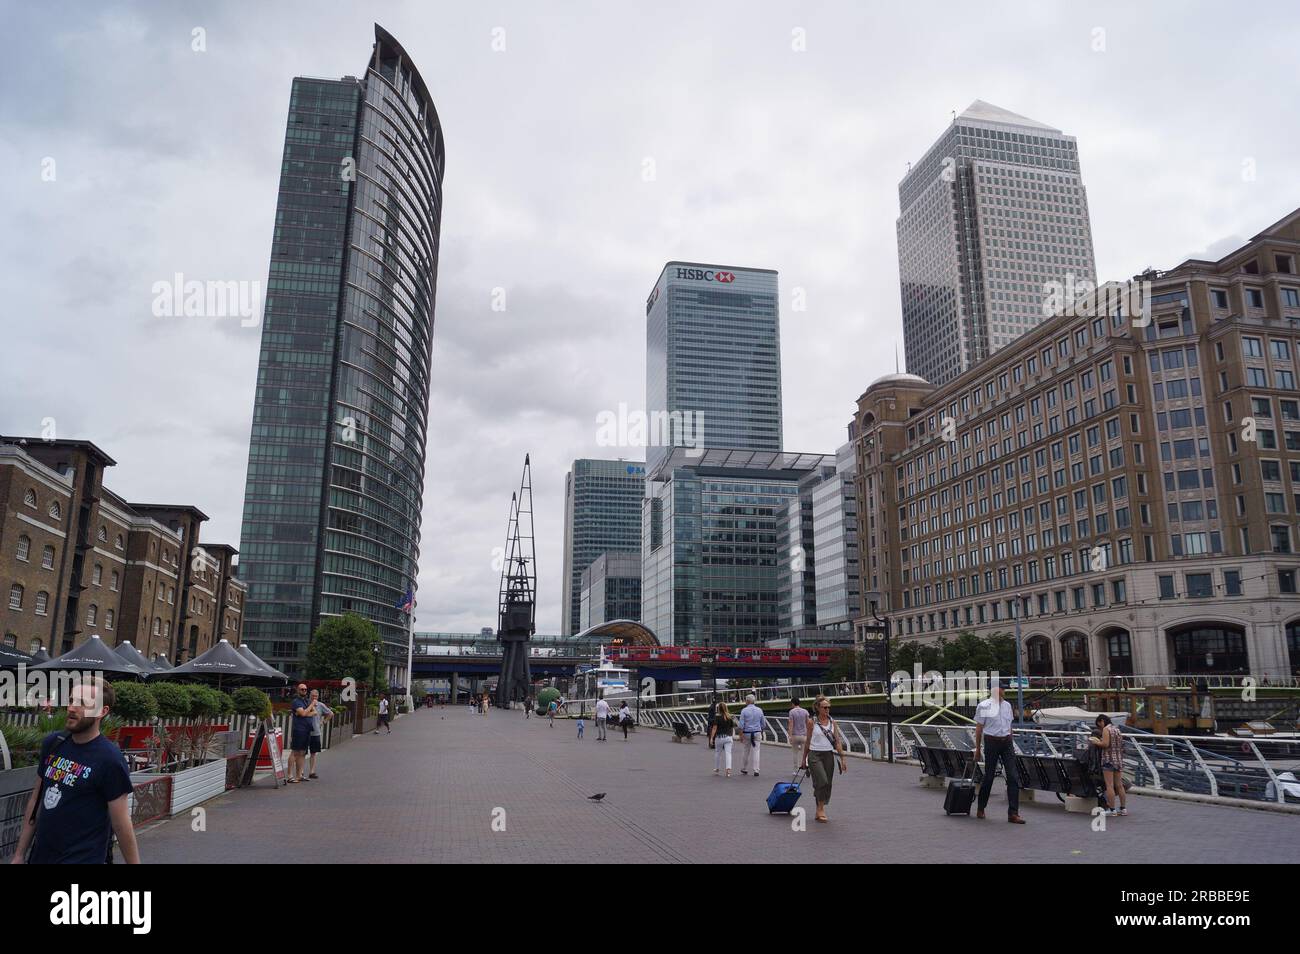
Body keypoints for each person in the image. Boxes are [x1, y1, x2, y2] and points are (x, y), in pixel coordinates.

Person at [11, 679, 140, 864]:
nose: (71, 708)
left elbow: (121, 824)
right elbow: (36, 800)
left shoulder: (110, 760)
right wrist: (19, 854)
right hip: (41, 857)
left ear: (102, 712)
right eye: (71, 700)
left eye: (82, 703)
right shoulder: (53, 744)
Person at [973, 686, 1024, 823]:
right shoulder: (984, 706)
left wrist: (1011, 742)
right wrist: (977, 749)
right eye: (1002, 689)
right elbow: (979, 728)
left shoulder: (1007, 705)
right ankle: (981, 807)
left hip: (1006, 742)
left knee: (1013, 776)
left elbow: (1009, 726)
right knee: (989, 777)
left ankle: (1013, 813)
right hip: (991, 742)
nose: (1004, 691)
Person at [799, 694, 847, 823]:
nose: (827, 710)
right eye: (824, 707)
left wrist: (843, 759)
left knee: (827, 783)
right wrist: (804, 759)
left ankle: (818, 809)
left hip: (828, 755)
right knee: (822, 781)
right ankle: (820, 809)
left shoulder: (832, 722)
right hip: (815, 755)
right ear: (818, 708)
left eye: (828, 708)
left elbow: (837, 742)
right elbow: (808, 741)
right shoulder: (811, 722)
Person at [1088, 714, 1128, 816]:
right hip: (1118, 759)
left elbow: (1105, 744)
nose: (1100, 728)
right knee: (1119, 785)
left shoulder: (1106, 729)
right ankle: (1123, 809)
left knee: (1109, 785)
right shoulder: (1117, 729)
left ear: (1102, 721)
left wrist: (1096, 742)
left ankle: (1112, 809)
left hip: (1108, 760)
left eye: (1099, 725)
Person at [290, 683, 316, 781]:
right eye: (302, 689)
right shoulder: (296, 701)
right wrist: (311, 706)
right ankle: (290, 775)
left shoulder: (306, 701)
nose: (304, 691)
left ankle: (299, 775)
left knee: (303, 752)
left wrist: (305, 713)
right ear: (298, 690)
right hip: (299, 729)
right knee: (295, 752)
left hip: (307, 729)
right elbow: (304, 713)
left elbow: (315, 712)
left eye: (305, 689)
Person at [306, 689, 333, 780]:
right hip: (305, 732)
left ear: (318, 697)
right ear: (309, 696)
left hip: (315, 732)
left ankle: (312, 771)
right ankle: (300, 772)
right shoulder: (306, 704)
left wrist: (323, 722)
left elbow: (330, 713)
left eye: (315, 696)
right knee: (301, 752)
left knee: (313, 753)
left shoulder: (320, 705)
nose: (314, 698)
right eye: (312, 696)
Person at [738, 694, 765, 776]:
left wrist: (740, 735)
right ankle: (756, 770)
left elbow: (741, 725)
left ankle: (744, 768)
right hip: (757, 732)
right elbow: (763, 723)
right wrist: (762, 731)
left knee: (746, 750)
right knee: (756, 751)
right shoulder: (759, 710)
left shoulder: (744, 711)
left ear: (748, 701)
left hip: (747, 733)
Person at [708, 702, 736, 777]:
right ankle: (728, 770)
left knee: (718, 753)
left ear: (718, 709)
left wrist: (711, 738)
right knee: (728, 753)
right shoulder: (730, 717)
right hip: (728, 737)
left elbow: (714, 728)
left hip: (719, 737)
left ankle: (717, 768)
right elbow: (732, 727)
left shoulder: (717, 717)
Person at [787, 696, 810, 772]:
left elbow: (791, 724)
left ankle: (795, 770)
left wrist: (789, 736)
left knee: (795, 752)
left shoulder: (792, 712)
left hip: (795, 735)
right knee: (804, 752)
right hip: (804, 735)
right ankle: (806, 765)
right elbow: (807, 723)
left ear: (793, 703)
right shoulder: (805, 711)